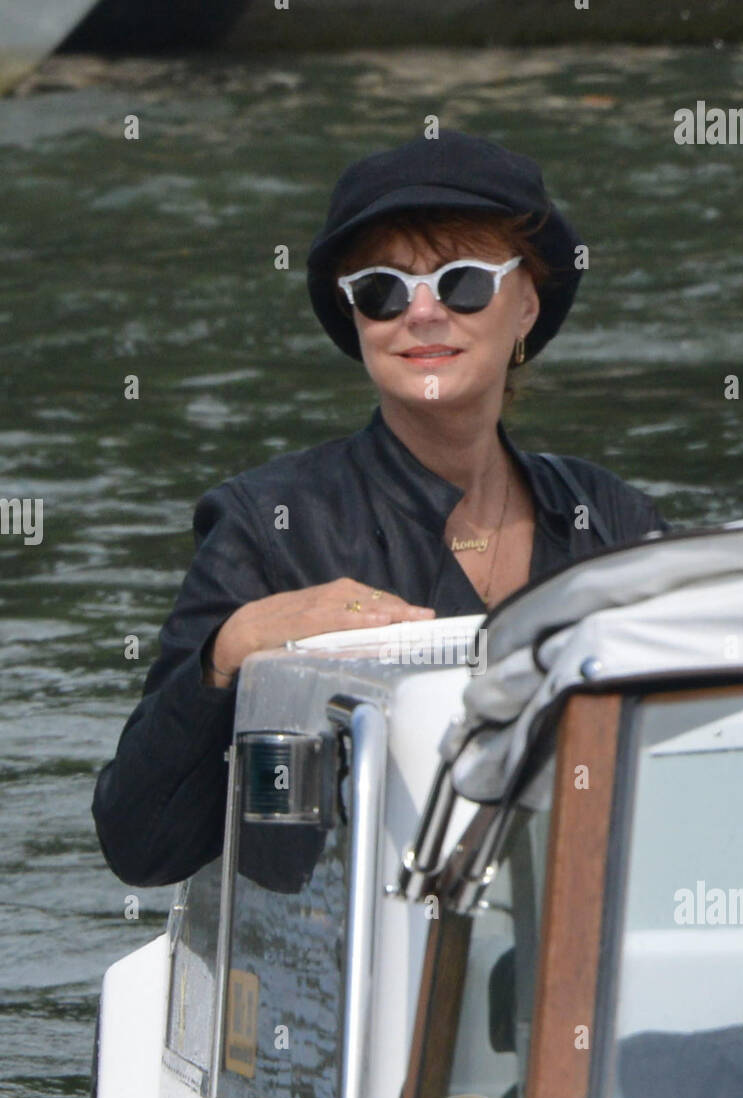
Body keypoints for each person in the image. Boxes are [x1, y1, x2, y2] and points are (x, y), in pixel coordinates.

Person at [92, 129, 668, 888]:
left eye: (462, 282)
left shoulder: (612, 520)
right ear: (356, 317)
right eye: (382, 290)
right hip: (357, 974)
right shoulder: (264, 527)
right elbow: (140, 846)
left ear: (526, 303)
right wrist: (227, 655)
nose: (422, 314)